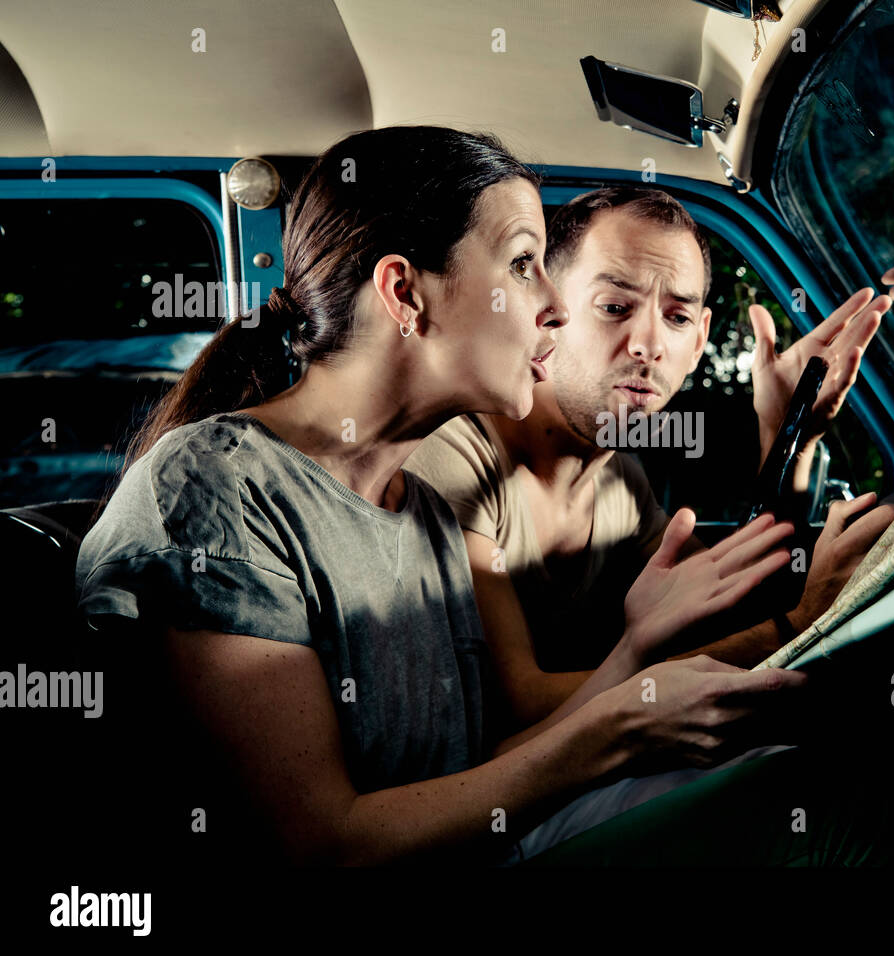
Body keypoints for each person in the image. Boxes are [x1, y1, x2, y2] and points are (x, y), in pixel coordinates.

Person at [75, 126, 826, 866]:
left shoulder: (420, 511)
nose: (554, 310)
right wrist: (617, 730)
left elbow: (470, 771)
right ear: (405, 292)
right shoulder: (217, 489)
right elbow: (317, 848)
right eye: (524, 264)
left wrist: (634, 649)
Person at [404, 187, 894, 730]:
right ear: (544, 310)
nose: (649, 343)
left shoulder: (621, 481)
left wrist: (788, 437)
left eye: (678, 318)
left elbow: (737, 605)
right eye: (615, 307)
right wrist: (800, 625)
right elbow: (523, 708)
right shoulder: (453, 456)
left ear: (698, 343)